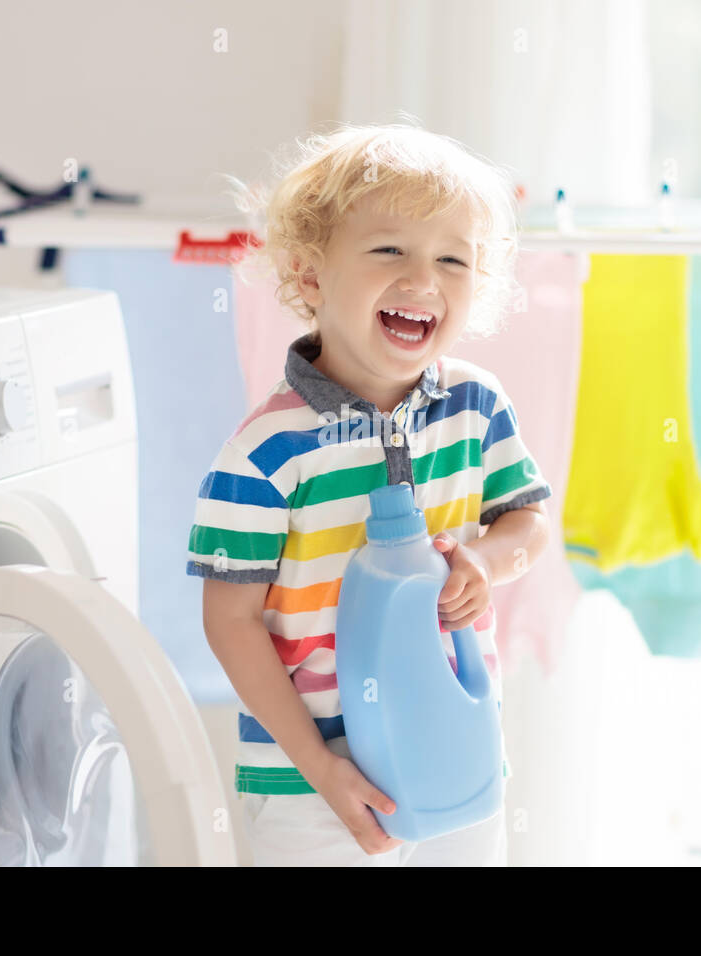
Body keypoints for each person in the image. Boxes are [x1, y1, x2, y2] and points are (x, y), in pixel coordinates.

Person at [187, 122, 552, 866]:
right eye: (390, 249)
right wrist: (321, 769)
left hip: (455, 745)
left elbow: (527, 524)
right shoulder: (265, 453)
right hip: (312, 782)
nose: (424, 280)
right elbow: (230, 621)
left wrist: (485, 562)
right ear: (312, 274)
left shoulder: (476, 408)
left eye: (454, 259)